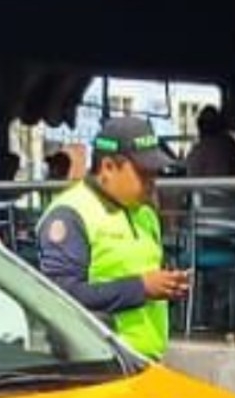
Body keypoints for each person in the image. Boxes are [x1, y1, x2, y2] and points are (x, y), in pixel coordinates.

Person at [36, 116, 188, 361]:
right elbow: (59, 297)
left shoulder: (144, 213)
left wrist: (167, 287)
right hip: (95, 363)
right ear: (108, 167)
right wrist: (142, 288)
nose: (152, 183)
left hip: (146, 360)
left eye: (155, 173)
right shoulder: (71, 214)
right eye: (143, 173)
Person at [184, 106, 235, 179]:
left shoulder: (200, 149)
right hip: (231, 188)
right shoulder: (231, 144)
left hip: (207, 189)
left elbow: (192, 176)